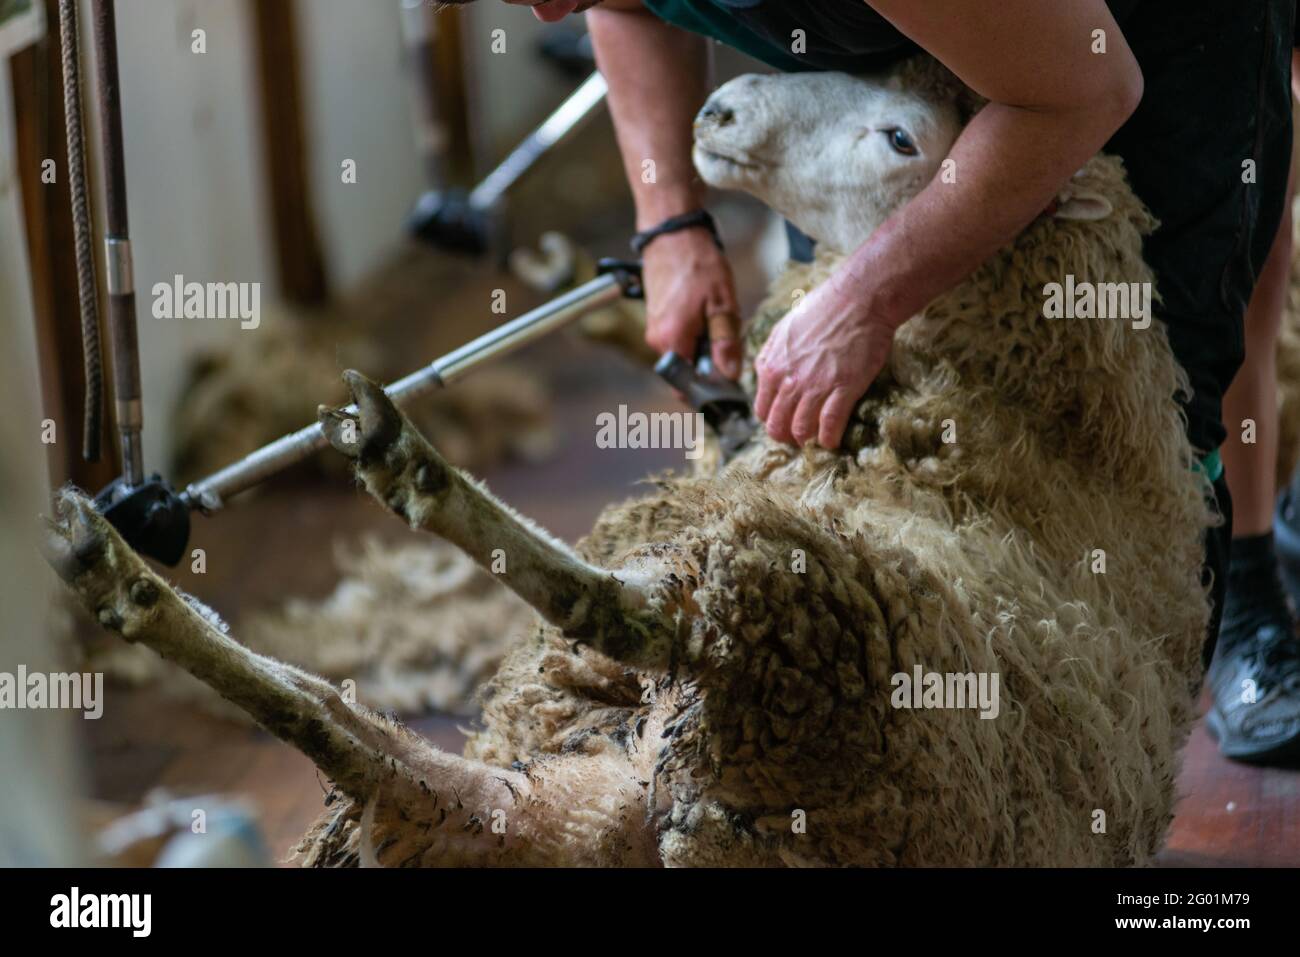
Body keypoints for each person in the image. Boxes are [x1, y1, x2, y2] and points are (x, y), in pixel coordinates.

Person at [457, 1, 1296, 750]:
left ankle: (1245, 599)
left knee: (1154, 373)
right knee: (878, 408)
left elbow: (1087, 86)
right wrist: (668, 219)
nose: (536, 15)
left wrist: (862, 300)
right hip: (902, 54)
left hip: (1155, 33)